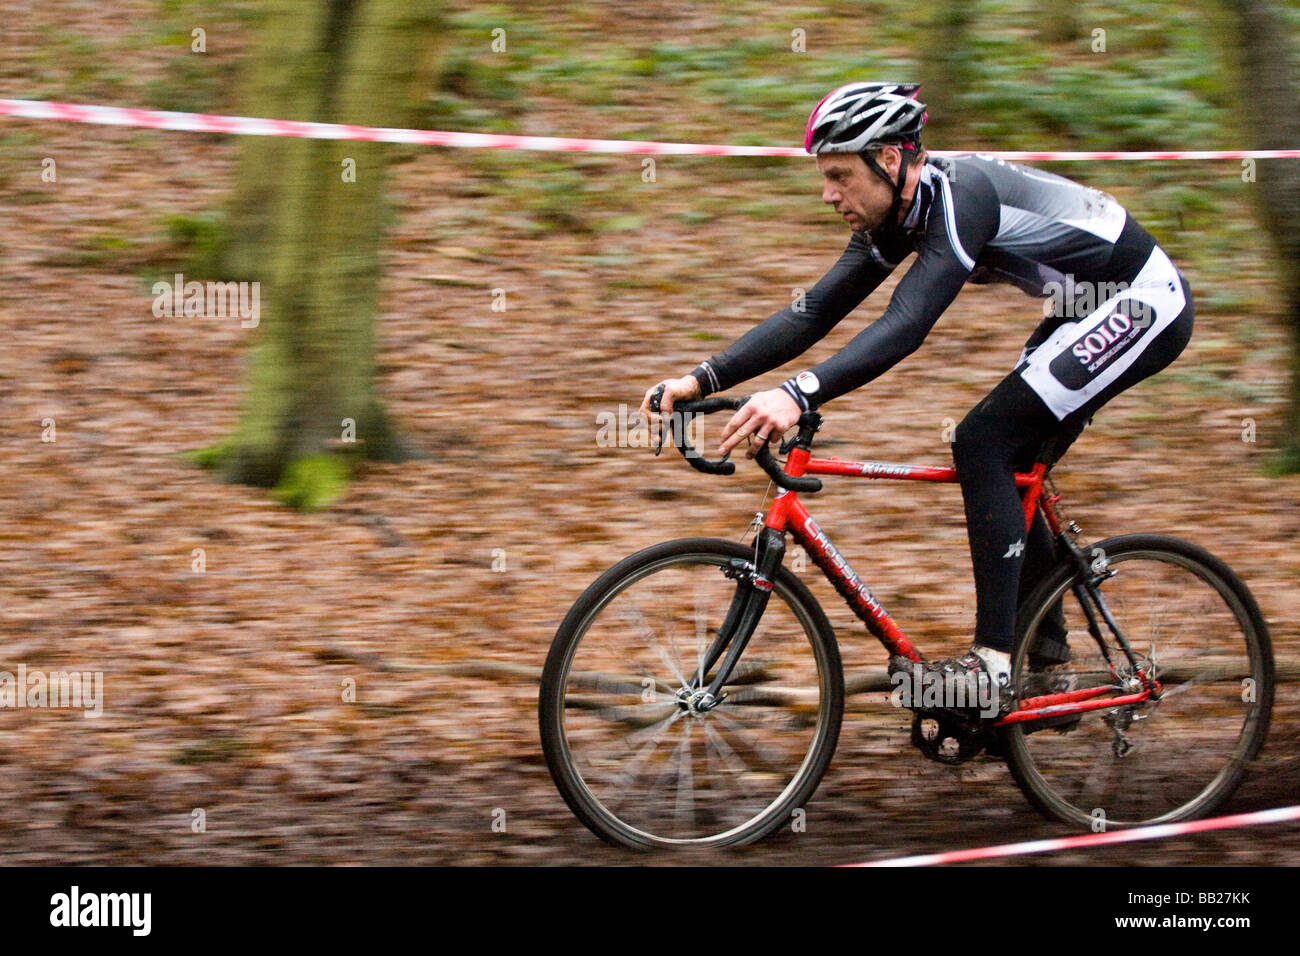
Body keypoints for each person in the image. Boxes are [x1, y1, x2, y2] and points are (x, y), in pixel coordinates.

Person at [639, 81, 1194, 714]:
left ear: (892, 159)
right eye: (825, 177)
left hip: (1144, 300)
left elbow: (905, 325)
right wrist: (703, 377)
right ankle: (1045, 660)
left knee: (985, 440)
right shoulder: (898, 212)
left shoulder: (963, 198)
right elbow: (815, 311)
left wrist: (797, 393)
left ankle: (992, 664)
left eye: (842, 175)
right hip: (1083, 306)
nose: (829, 193)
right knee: (1007, 459)